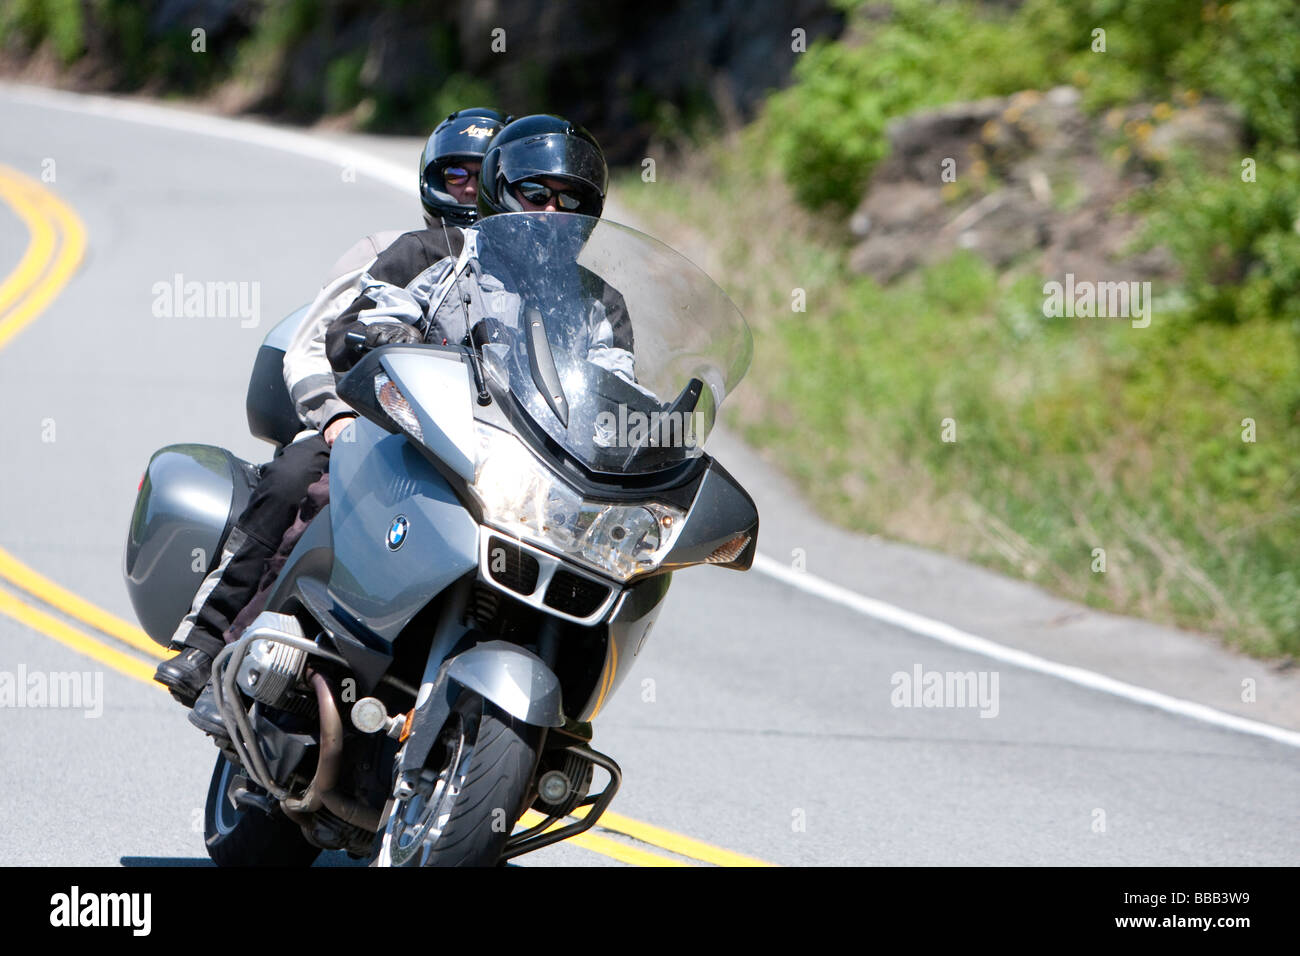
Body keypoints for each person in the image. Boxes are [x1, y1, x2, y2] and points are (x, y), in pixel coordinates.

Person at [153, 108, 509, 708]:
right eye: (457, 175)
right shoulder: (397, 251)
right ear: (432, 181)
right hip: (374, 427)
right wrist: (336, 417)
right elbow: (317, 344)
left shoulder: (538, 283)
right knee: (299, 481)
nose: (470, 189)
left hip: (486, 455)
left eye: (484, 175)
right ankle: (212, 640)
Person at [325, 114, 613, 375]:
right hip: (425, 424)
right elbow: (351, 330)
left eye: (569, 200)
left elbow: (616, 381)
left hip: (542, 432)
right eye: (535, 192)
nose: (550, 209)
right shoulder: (425, 254)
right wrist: (386, 333)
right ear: (501, 190)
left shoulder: (600, 299)